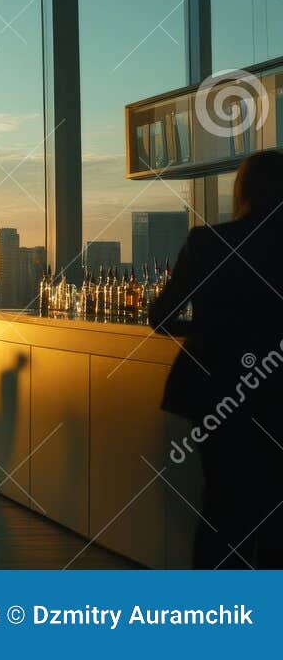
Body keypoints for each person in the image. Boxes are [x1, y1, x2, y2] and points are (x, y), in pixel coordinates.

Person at [151, 149, 283, 568]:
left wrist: (209, 331)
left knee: (223, 506)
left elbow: (162, 317)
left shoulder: (207, 241)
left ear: (241, 191)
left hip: (217, 389)